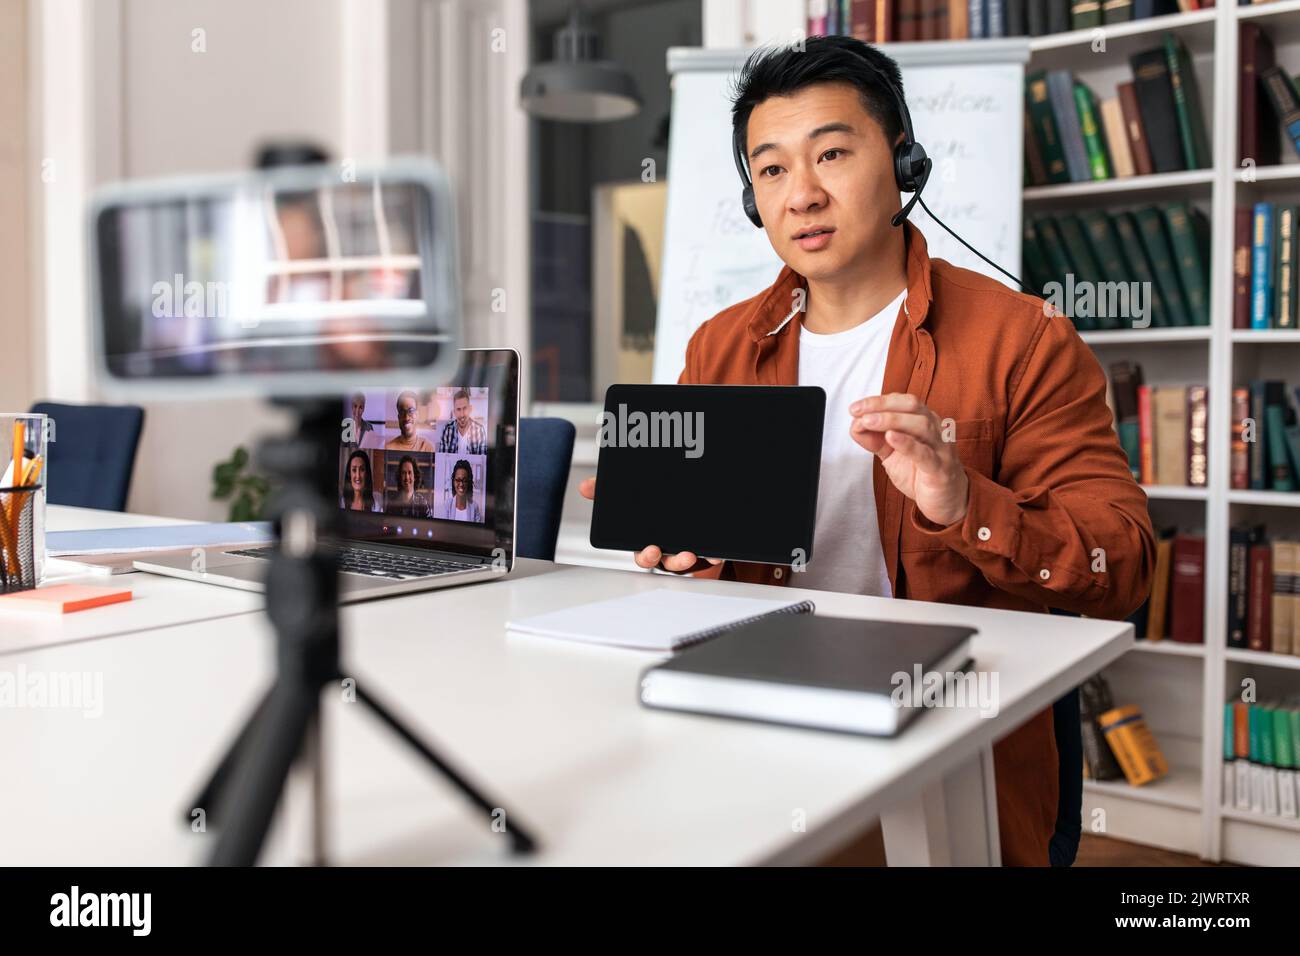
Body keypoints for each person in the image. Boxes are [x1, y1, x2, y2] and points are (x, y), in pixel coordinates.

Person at [579, 37, 1154, 866]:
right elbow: (716, 579)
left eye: (833, 154)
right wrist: (687, 561)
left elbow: (1122, 568)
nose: (802, 194)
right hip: (761, 730)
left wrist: (964, 504)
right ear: (752, 198)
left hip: (947, 744)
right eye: (771, 170)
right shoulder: (719, 347)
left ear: (904, 165)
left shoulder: (1023, 340)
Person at [437, 389, 487, 454]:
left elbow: (482, 461)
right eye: (458, 409)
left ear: (470, 409)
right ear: (454, 412)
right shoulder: (447, 429)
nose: (462, 414)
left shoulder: (479, 430)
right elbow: (443, 459)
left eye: (464, 408)